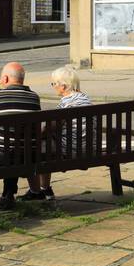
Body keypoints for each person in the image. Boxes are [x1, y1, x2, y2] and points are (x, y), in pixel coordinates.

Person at [0, 61, 41, 210]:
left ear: (5, 79)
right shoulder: (34, 98)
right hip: (27, 155)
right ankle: (8, 195)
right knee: (14, 149)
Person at [30, 66, 93, 200]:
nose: (53, 87)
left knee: (42, 145)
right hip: (89, 149)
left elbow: (50, 128)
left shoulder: (66, 104)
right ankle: (44, 189)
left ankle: (43, 189)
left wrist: (38, 135)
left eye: (54, 84)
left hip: (71, 151)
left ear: (63, 86)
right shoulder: (86, 99)